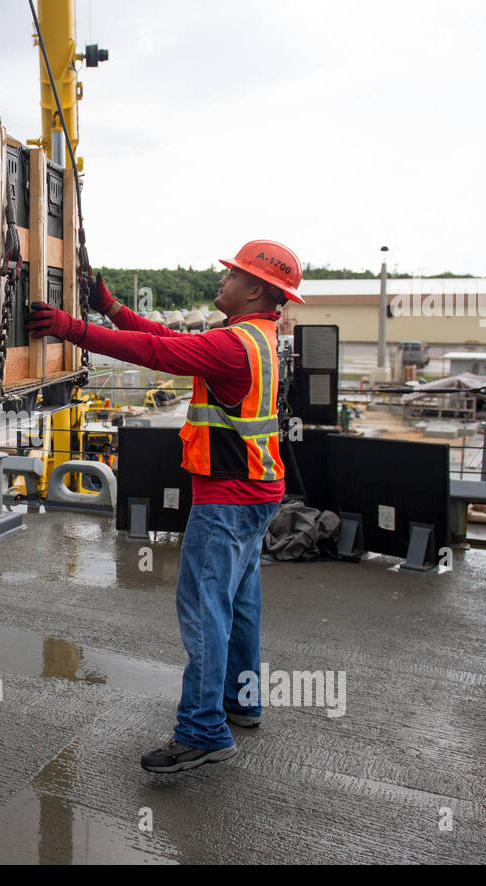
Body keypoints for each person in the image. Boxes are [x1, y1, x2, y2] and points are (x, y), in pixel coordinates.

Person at [29, 240, 304, 774]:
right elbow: (168, 338)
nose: (220, 281)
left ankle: (203, 730)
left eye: (231, 276)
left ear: (256, 289)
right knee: (239, 604)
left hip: (228, 498)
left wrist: (71, 328)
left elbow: (157, 354)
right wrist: (108, 306)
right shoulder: (254, 336)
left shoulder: (232, 346)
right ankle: (241, 702)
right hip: (259, 489)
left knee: (205, 612)